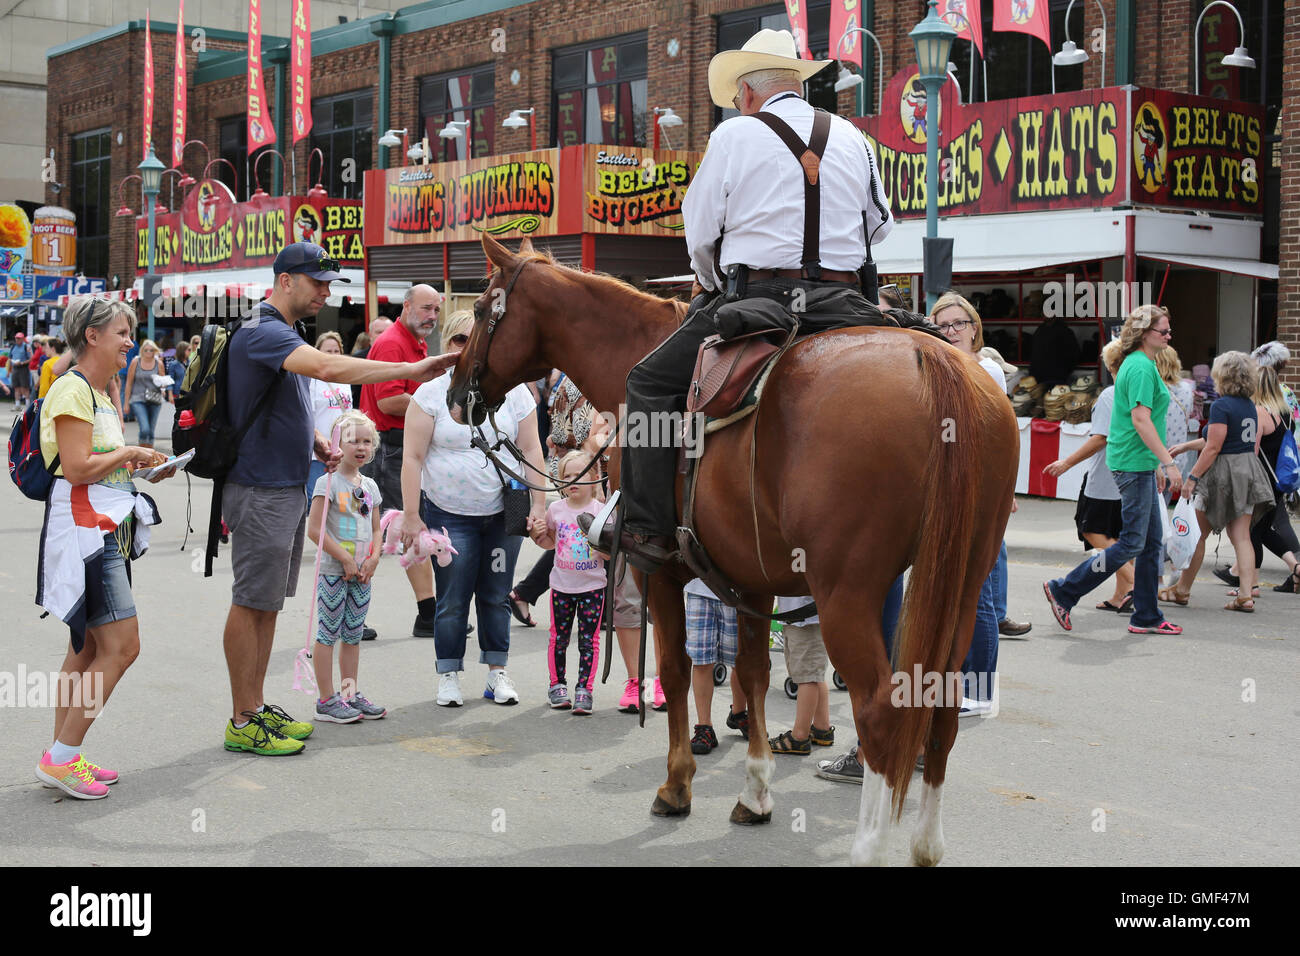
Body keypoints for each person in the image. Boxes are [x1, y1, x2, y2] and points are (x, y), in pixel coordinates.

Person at [590, 28, 937, 571]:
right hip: (845, 303)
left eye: (737, 97)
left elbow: (700, 230)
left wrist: (710, 280)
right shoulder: (851, 136)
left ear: (747, 92)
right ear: (793, 82)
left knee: (648, 384)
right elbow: (881, 226)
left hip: (762, 299)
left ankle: (647, 528)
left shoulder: (736, 135)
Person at [220, 242, 458, 757]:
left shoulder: (282, 330)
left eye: (330, 283)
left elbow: (273, 401)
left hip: (280, 486)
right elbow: (328, 372)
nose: (326, 293)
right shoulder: (263, 329)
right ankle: (243, 718)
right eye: (317, 282)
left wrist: (314, 440)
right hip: (260, 487)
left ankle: (256, 710)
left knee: (266, 605)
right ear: (286, 280)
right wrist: (413, 374)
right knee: (251, 602)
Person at [33, 297, 172, 798]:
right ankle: (63, 756)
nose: (129, 342)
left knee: (87, 646)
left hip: (103, 525)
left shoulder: (98, 393)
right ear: (92, 337)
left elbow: (98, 463)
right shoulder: (73, 391)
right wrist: (131, 451)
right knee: (123, 647)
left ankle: (61, 754)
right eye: (121, 333)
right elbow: (74, 469)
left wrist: (137, 465)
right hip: (88, 531)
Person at [400, 309, 547, 707]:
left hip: (505, 511)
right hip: (449, 514)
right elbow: (411, 458)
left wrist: (539, 503)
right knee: (452, 598)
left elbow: (532, 449)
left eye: (474, 340)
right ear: (447, 345)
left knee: (497, 595)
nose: (467, 348)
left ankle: (497, 673)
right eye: (458, 340)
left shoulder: (515, 392)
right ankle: (448, 674)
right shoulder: (430, 394)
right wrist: (412, 517)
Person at [1042, 305, 1184, 635]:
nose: (1168, 335)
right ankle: (1065, 589)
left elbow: (1142, 422)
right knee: (1132, 543)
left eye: (1168, 330)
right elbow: (1140, 420)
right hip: (1133, 464)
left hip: (1139, 464)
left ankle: (1146, 615)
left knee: (1149, 544)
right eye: (1163, 331)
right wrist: (1168, 462)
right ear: (1145, 333)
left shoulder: (1142, 365)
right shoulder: (1139, 367)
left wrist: (1157, 464)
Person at [933, 292, 1017, 712]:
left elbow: (993, 438)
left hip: (974, 492)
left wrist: (1001, 491)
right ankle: (962, 682)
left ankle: (980, 693)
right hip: (949, 492)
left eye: (958, 324)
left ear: (974, 328)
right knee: (961, 591)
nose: (951, 332)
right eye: (942, 326)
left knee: (977, 592)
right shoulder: (943, 368)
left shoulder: (984, 370)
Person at [1161, 351, 1276, 611]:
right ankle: (1245, 595)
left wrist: (1192, 477)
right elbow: (1222, 439)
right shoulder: (1247, 404)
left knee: (1198, 534)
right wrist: (1185, 446)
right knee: (1242, 537)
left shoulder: (1221, 406)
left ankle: (1182, 590)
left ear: (1222, 375)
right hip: (1247, 469)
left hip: (1224, 472)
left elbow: (1213, 448)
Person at [360, 286, 443, 638]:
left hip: (394, 450)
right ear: (406, 306)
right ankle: (352, 614)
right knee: (381, 534)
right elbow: (389, 402)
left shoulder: (410, 341)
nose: (432, 317)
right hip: (386, 451)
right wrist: (436, 409)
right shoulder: (394, 343)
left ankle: (428, 615)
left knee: (402, 531)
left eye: (437, 311)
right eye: (426, 309)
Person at [1043, 340, 1136, 613]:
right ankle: (1121, 595)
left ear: (1110, 365)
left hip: (1106, 478)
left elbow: (1101, 439)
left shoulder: (1110, 395)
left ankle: (1134, 585)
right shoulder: (1139, 391)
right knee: (1118, 536)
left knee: (1092, 530)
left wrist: (1067, 462)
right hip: (1129, 477)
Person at [307, 410, 387, 723]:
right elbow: (315, 530)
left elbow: (378, 529)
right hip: (333, 572)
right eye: (354, 441)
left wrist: (374, 557)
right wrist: (344, 557)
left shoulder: (370, 486)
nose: (361, 447)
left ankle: (350, 693)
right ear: (338, 444)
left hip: (362, 574)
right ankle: (327, 700)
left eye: (368, 441)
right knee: (328, 633)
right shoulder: (327, 483)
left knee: (353, 635)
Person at [1215, 342, 1300, 593]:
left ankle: (1250, 585)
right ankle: (1290, 571)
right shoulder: (1284, 411)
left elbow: (1251, 452)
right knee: (1262, 530)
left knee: (1251, 532)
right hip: (1280, 477)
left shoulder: (1259, 413)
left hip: (1260, 478)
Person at [531, 451, 607, 715]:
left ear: (595, 478)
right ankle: (557, 685)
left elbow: (610, 554)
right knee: (559, 638)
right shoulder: (556, 510)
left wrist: (600, 540)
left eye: (580, 475)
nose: (572, 480)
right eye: (567, 476)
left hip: (592, 588)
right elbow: (551, 542)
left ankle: (584, 689)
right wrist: (537, 536)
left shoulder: (601, 512)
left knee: (589, 640)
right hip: (561, 587)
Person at [684, 578, 748, 755]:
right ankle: (704, 726)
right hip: (700, 589)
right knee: (701, 660)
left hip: (737, 591)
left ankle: (739, 713)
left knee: (740, 659)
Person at [767, 595, 834, 755]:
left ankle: (799, 737)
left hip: (806, 619)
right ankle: (821, 727)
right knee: (813, 675)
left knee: (807, 679)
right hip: (797, 617)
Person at [307, 331, 354, 494]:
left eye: (336, 351)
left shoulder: (345, 379)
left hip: (343, 454)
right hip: (318, 455)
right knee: (317, 500)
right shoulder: (312, 380)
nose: (333, 355)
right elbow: (308, 418)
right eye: (328, 351)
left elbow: (349, 415)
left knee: (340, 503)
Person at [1157, 346, 1195, 504]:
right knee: (1162, 509)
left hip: (1154, 458)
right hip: (1176, 457)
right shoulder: (1186, 389)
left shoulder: (1154, 389)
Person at [123, 339, 166, 448]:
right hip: (138, 399)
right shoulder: (135, 362)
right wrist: (126, 403)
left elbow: (163, 381)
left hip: (154, 399)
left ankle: (149, 456)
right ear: (142, 350)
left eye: (151, 350)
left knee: (151, 431)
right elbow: (129, 383)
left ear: (154, 351)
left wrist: (163, 389)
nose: (148, 352)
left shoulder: (158, 363)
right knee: (144, 429)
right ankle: (141, 453)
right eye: (146, 350)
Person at [10, 331, 32, 408]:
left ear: (22, 339)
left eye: (19, 338)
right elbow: (10, 358)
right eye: (16, 338)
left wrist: (22, 363)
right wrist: (10, 368)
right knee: (16, 387)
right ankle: (17, 404)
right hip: (15, 368)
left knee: (24, 387)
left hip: (23, 368)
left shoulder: (26, 347)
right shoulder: (13, 346)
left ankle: (28, 404)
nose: (17, 339)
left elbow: (30, 359)